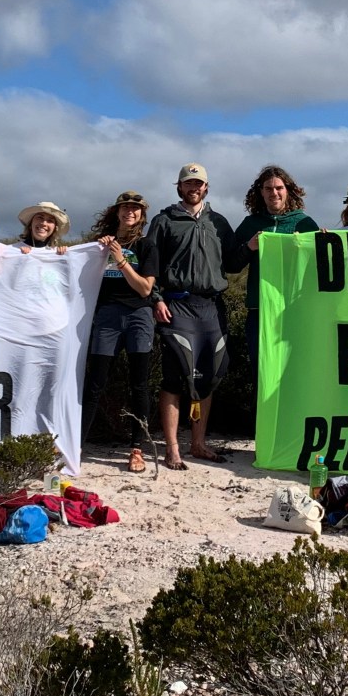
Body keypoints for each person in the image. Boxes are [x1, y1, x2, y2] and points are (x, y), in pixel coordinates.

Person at [135, 163, 236, 469]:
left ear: (207, 187)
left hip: (211, 307)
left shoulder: (218, 222)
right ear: (179, 187)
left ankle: (198, 444)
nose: (194, 188)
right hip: (176, 305)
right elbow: (148, 263)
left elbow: (232, 262)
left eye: (199, 183)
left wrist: (257, 247)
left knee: (208, 375)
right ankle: (173, 449)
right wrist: (155, 299)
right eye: (188, 183)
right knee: (174, 377)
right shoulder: (165, 221)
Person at [230, 165, 322, 403]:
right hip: (259, 311)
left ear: (288, 191)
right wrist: (249, 247)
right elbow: (231, 265)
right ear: (260, 192)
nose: (274, 193)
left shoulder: (303, 223)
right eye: (268, 188)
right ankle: (264, 433)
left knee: (294, 371)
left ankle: (293, 429)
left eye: (279, 188)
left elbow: (319, 266)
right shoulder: (251, 223)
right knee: (261, 373)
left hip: (293, 311)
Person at [83, 190, 157, 470]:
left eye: (136, 208)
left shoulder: (147, 246)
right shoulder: (99, 245)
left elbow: (145, 288)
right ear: (117, 212)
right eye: (125, 207)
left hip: (138, 316)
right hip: (107, 318)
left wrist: (121, 259)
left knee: (138, 385)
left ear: (141, 214)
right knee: (95, 383)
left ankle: (137, 449)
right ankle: (75, 446)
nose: (131, 212)